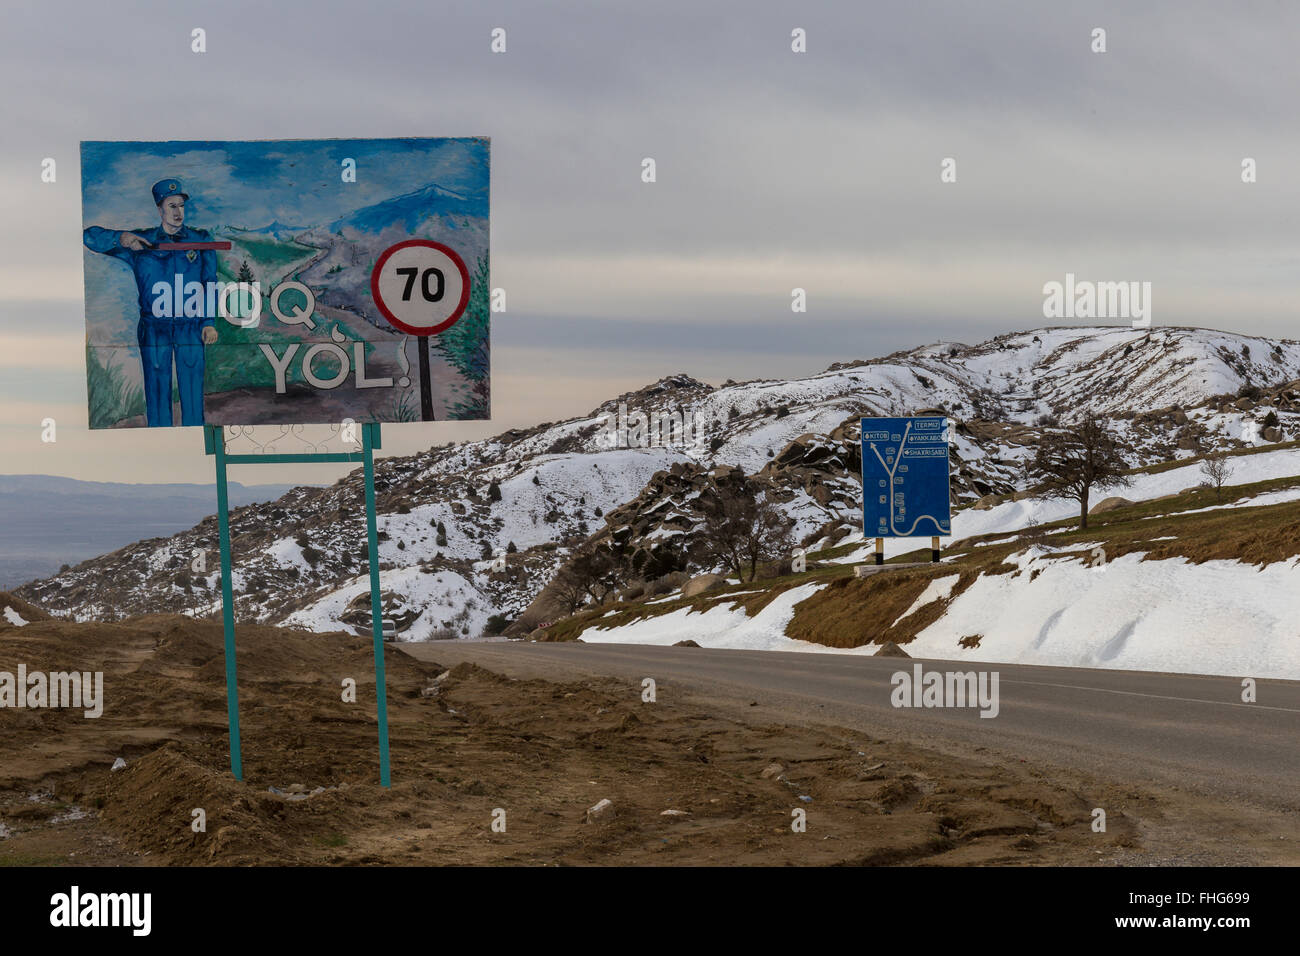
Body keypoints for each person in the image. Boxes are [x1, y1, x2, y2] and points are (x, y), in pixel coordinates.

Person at [84, 178, 218, 426]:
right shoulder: (140, 242)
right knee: (157, 392)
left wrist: (208, 322)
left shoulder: (201, 239)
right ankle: (160, 443)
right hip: (154, 329)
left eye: (181, 206)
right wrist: (121, 238)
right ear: (160, 209)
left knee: (191, 391)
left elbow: (210, 282)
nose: (178, 212)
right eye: (172, 206)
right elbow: (89, 237)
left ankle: (194, 444)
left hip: (190, 326)